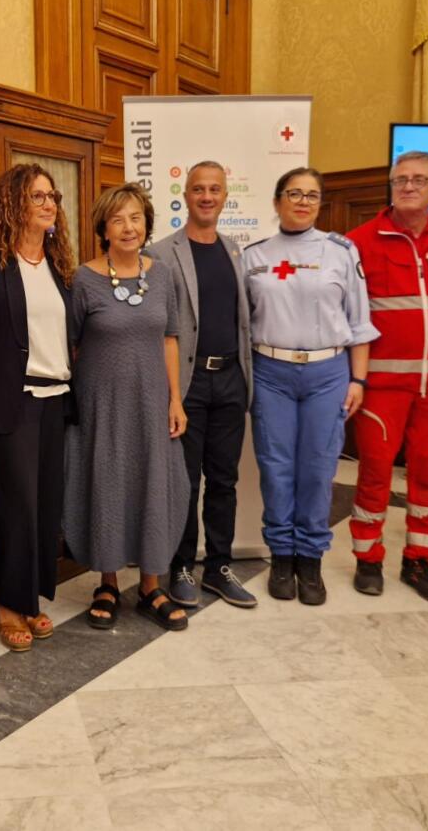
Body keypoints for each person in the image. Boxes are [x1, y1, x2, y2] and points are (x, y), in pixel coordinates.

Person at [243, 167, 378, 605]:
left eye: (312, 195)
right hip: (271, 371)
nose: (303, 202)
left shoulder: (341, 251)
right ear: (278, 200)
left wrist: (358, 378)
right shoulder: (254, 255)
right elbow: (241, 323)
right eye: (294, 193)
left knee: (319, 470)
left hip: (328, 373)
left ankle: (311, 559)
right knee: (277, 468)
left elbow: (359, 322)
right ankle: (282, 556)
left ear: (320, 203)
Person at [63, 182, 190, 632]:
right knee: (107, 486)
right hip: (102, 404)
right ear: (103, 227)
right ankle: (108, 582)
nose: (128, 226)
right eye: (117, 219)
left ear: (146, 223)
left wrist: (175, 399)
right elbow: (73, 346)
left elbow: (170, 338)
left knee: (153, 484)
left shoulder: (162, 275)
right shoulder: (83, 279)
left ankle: (152, 586)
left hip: (152, 400)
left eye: (135, 217)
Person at [347, 151, 428, 602]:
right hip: (381, 386)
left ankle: (419, 562)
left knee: (427, 477)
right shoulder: (360, 240)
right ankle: (368, 558)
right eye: (400, 179)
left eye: (419, 180)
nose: (408, 186)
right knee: (375, 473)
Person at [0, 164, 76, 651]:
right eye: (37, 196)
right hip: (12, 401)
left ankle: (32, 597)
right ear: (12, 203)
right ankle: (9, 603)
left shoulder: (60, 266)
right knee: (17, 506)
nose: (48, 203)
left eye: (51, 195)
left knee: (45, 503)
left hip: (56, 398)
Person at [153, 161, 256, 609]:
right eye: (199, 189)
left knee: (224, 480)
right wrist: (171, 393)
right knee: (184, 482)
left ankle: (218, 566)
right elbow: (161, 329)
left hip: (231, 380)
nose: (207, 196)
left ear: (225, 195)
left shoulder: (235, 251)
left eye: (215, 189)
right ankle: (180, 566)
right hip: (189, 385)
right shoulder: (162, 253)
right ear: (186, 195)